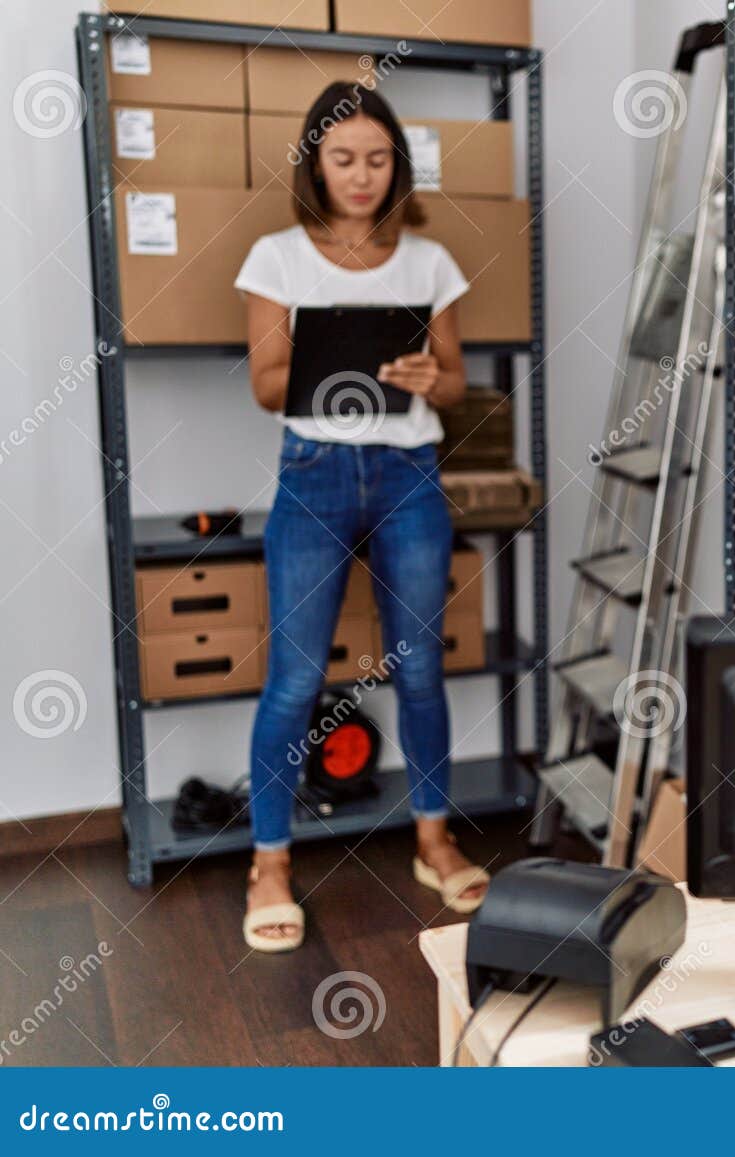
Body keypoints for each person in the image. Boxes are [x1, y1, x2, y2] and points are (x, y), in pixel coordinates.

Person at [233, 82, 488, 953]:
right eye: (343, 158)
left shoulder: (429, 260)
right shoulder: (274, 257)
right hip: (314, 472)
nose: (361, 174)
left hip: (409, 470)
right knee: (295, 681)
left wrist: (424, 379)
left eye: (378, 159)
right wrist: (327, 362)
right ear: (315, 162)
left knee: (418, 669)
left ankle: (432, 838)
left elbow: (453, 384)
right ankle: (269, 861)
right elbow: (269, 387)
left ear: (397, 166)